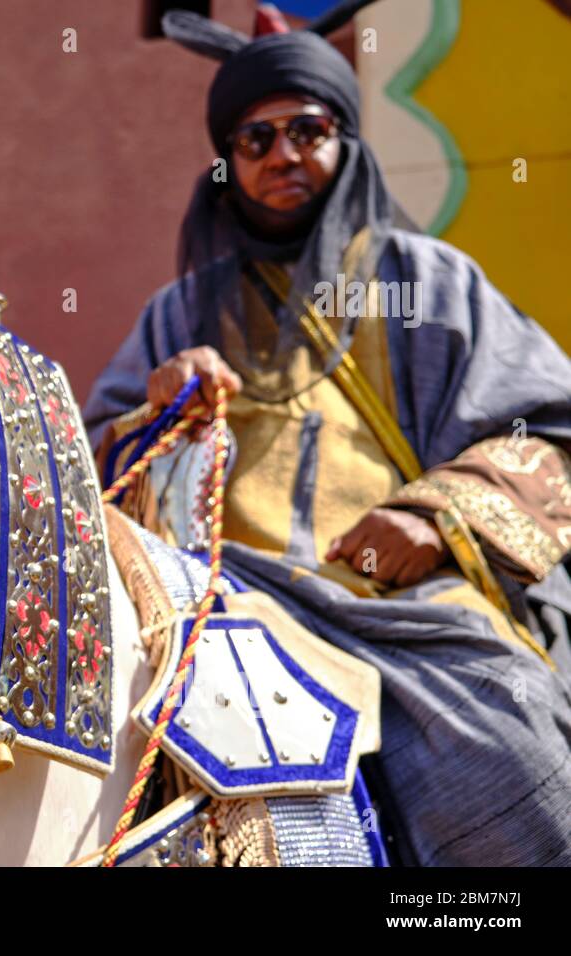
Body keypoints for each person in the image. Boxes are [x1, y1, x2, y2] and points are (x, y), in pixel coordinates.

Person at [85, 5, 571, 865]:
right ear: (228, 165)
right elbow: (90, 477)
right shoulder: (179, 314)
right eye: (255, 139)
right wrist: (158, 410)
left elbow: (553, 425)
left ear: (345, 141)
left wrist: (434, 517)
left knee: (511, 718)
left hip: (393, 597)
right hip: (218, 602)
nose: (282, 155)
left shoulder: (424, 279)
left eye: (307, 130)